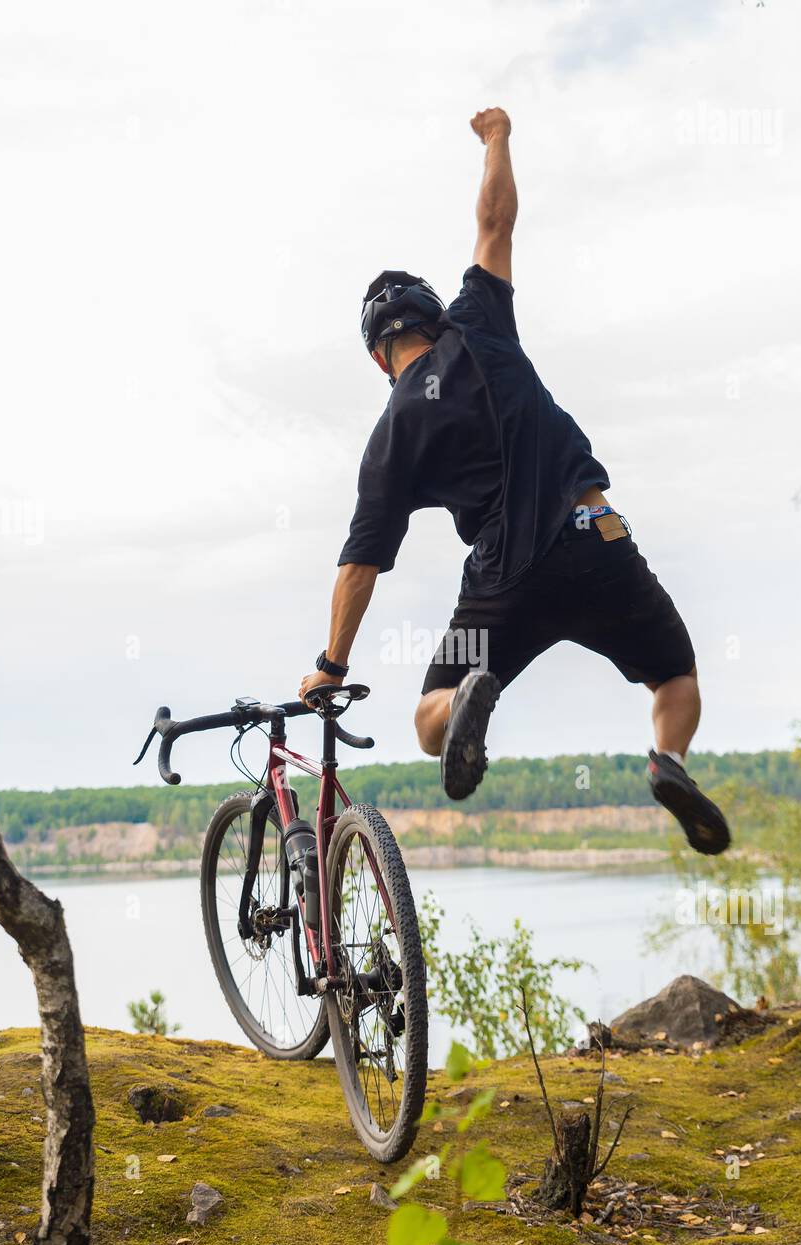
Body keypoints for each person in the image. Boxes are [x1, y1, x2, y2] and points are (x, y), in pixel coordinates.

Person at [300, 108, 730, 855]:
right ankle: (668, 762)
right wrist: (497, 137)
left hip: (504, 583)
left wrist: (331, 665)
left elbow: (360, 564)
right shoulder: (478, 321)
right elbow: (495, 221)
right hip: (596, 540)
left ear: (378, 357)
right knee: (674, 678)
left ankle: (467, 697)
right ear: (433, 315)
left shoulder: (392, 434)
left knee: (429, 718)